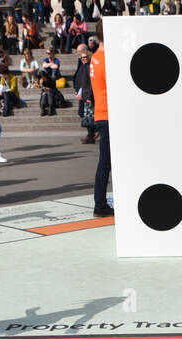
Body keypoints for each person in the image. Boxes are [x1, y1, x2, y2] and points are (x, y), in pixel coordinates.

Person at [90, 20, 113, 216]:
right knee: (106, 162)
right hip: (108, 113)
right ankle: (100, 203)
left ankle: (101, 202)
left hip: (101, 112)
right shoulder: (106, 60)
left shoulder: (95, 57)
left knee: (106, 161)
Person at [76, 41, 96, 143]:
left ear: (89, 57)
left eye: (85, 57)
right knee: (87, 116)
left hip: (88, 96)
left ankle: (91, 136)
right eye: (81, 58)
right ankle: (91, 135)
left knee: (89, 116)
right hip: (84, 95)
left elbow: (91, 84)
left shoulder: (89, 67)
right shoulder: (84, 66)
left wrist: (89, 97)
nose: (83, 59)